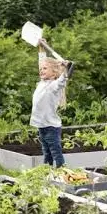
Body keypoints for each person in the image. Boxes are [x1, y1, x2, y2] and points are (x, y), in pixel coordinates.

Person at [29, 38, 73, 168]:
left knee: (55, 152)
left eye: (45, 68)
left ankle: (61, 169)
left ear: (54, 73)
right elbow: (41, 62)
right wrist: (41, 48)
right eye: (41, 69)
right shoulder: (42, 83)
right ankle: (46, 171)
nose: (41, 70)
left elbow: (63, 80)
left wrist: (65, 68)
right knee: (46, 152)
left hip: (51, 127)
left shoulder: (53, 86)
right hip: (42, 126)